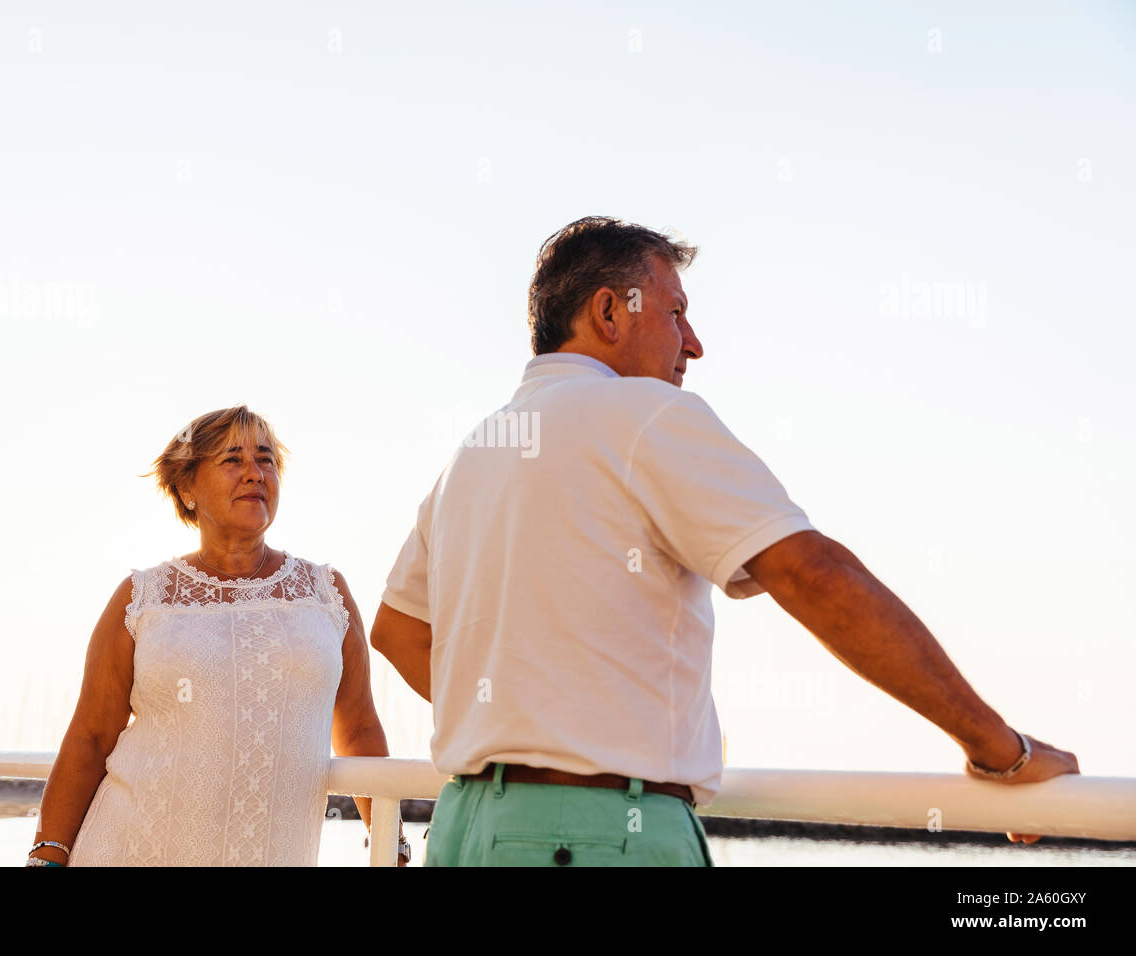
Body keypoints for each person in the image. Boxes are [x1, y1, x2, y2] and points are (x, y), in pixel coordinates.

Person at [370, 216, 1080, 866]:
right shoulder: (644, 412)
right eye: (676, 312)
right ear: (610, 312)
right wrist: (999, 750)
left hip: (465, 829)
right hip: (596, 836)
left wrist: (525, 731)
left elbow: (399, 629)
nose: (695, 343)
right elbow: (811, 574)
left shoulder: (478, 447)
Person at [28, 405, 410, 866]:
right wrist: (47, 857)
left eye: (265, 459)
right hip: (129, 850)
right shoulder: (144, 598)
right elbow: (90, 738)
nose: (254, 473)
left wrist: (392, 842)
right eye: (232, 460)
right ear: (187, 487)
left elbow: (359, 728)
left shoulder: (325, 594)